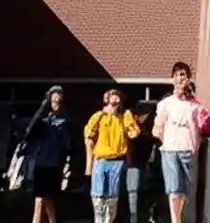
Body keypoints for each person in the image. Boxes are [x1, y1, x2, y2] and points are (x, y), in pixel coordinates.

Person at [153, 63, 210, 223]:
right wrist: (165, 139)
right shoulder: (166, 103)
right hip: (170, 151)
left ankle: (179, 218)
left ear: (189, 79)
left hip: (188, 151)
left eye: (184, 75)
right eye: (178, 75)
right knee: (174, 189)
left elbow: (204, 127)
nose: (181, 78)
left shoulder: (195, 106)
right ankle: (176, 220)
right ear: (173, 79)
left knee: (186, 191)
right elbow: (157, 128)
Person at [23, 86, 79, 223]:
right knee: (40, 198)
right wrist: (43, 108)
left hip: (55, 164)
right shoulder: (42, 122)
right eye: (53, 101)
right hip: (41, 163)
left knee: (48, 198)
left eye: (58, 101)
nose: (56, 105)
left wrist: (69, 163)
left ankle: (52, 220)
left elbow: (72, 144)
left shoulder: (67, 122)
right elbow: (29, 132)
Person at [84, 89, 140, 223]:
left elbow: (134, 133)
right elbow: (88, 133)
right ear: (107, 100)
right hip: (100, 159)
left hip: (117, 161)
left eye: (118, 98)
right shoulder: (99, 116)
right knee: (98, 195)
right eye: (112, 97)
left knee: (112, 196)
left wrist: (128, 122)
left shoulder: (124, 116)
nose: (115, 100)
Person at [125, 101, 159, 223]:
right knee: (134, 192)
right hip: (133, 163)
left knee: (139, 193)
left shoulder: (147, 130)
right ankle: (134, 219)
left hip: (141, 163)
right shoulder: (133, 128)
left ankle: (139, 217)